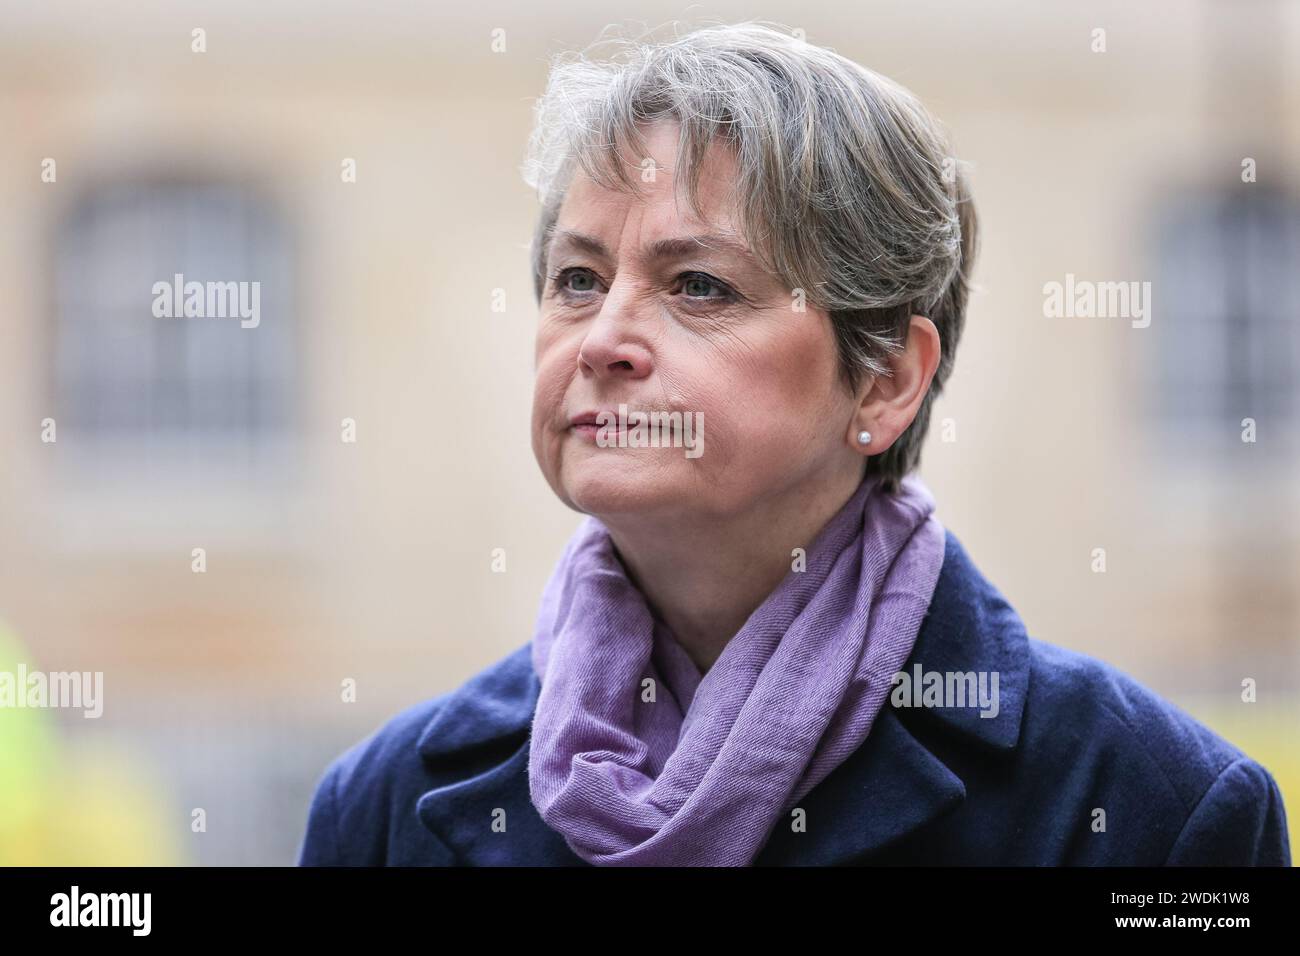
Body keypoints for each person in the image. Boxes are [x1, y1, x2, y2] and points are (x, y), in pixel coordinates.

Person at [298, 21, 1290, 866]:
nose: (601, 340)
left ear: (885, 377)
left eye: (699, 286)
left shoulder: (1147, 810)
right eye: (577, 279)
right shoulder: (381, 810)